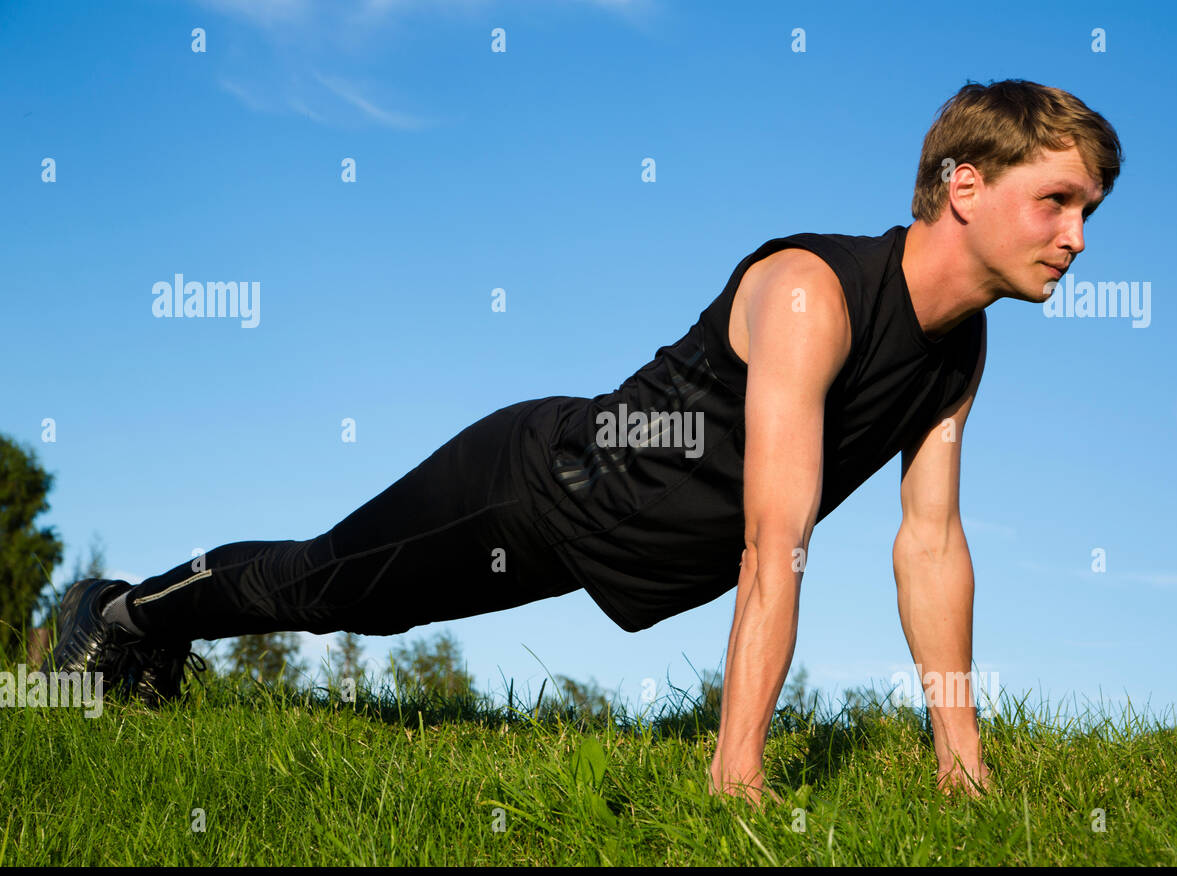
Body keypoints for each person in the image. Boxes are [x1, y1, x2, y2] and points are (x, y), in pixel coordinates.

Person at [48, 78, 1121, 804]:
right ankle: (120, 615)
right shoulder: (812, 294)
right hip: (538, 488)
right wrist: (736, 773)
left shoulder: (959, 348)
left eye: (1089, 212)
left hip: (620, 547)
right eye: (1057, 201)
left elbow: (928, 543)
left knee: (348, 599)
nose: (1075, 238)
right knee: (331, 591)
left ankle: (141, 624)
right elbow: (774, 538)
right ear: (963, 185)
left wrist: (960, 756)